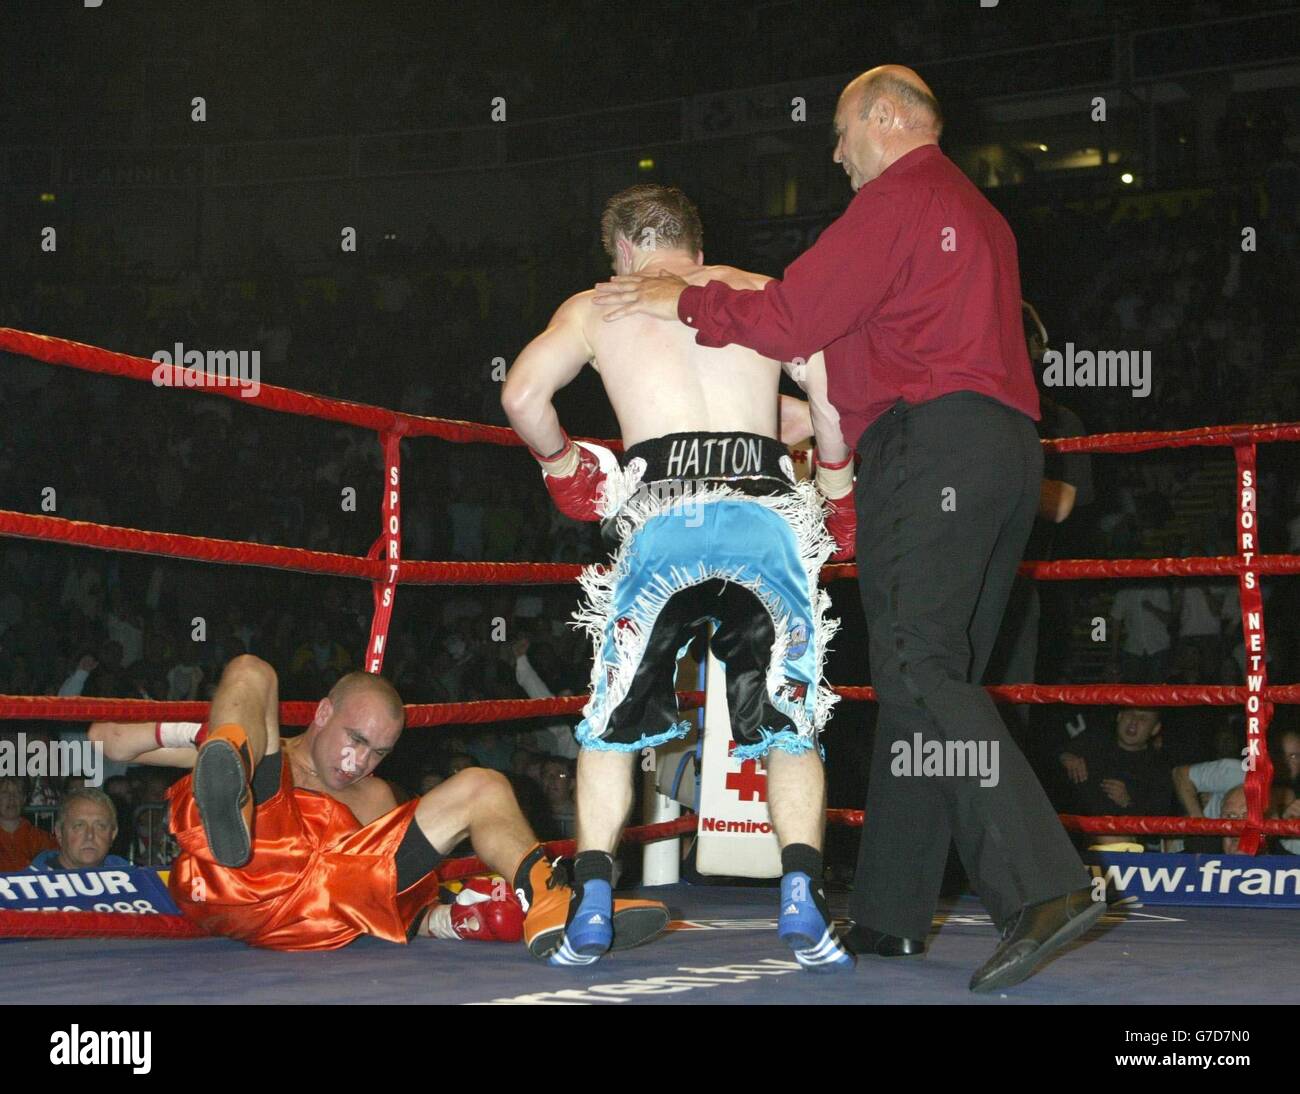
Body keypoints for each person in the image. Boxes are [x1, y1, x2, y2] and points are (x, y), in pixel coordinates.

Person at [591, 67, 1101, 992]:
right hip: (1003, 452)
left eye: (838, 132)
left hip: (936, 447)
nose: (834, 154)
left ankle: (1044, 887)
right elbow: (854, 344)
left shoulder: (904, 194)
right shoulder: (977, 213)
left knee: (921, 669)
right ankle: (893, 913)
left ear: (883, 117)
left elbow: (792, 317)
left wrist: (685, 301)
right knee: (925, 681)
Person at [502, 182, 854, 970]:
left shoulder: (599, 306)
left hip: (659, 524)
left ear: (625, 250)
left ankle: (592, 901)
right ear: (695, 245)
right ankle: (801, 899)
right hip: (765, 522)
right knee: (790, 723)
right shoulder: (762, 292)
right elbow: (832, 403)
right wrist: (834, 486)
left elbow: (521, 395)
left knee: (609, 725)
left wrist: (563, 463)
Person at [89, 656, 666, 954]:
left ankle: (551, 901)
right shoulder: (270, 753)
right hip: (240, 866)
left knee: (484, 784)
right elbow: (105, 740)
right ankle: (231, 796)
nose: (360, 762)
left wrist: (453, 920)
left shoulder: (376, 796)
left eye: (379, 752)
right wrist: (205, 733)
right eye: (355, 739)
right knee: (250, 672)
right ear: (320, 714)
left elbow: (387, 897)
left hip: (318, 910)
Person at [29, 787, 130, 871]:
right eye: (79, 826)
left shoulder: (132, 879)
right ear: (59, 832)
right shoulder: (28, 889)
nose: (90, 836)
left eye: (100, 826)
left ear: (113, 834)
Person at [0, 775, 57, 871]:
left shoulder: (41, 838)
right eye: (5, 793)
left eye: (17, 793)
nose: (12, 798)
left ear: (24, 799)